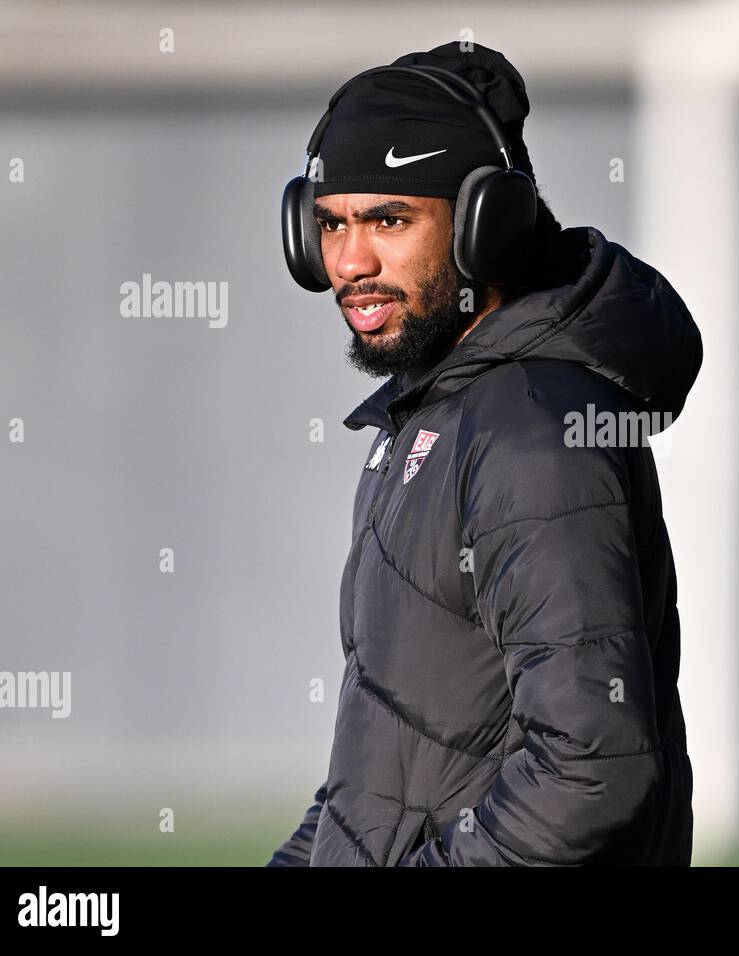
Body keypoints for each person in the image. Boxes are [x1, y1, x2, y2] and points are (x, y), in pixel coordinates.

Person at [267, 41, 701, 866]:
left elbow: (589, 768)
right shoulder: (429, 421)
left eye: (388, 220)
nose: (350, 263)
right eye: (330, 224)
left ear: (485, 227)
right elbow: (378, 784)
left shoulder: (533, 433)